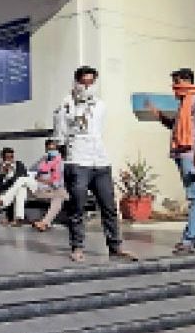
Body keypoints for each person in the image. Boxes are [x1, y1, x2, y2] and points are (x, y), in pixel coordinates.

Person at [54, 65, 136, 262]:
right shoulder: (65, 107)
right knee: (77, 207)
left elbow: (97, 129)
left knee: (109, 206)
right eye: (84, 82)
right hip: (78, 161)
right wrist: (71, 158)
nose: (87, 86)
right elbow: (59, 139)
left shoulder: (100, 105)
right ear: (76, 81)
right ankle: (77, 246)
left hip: (100, 161)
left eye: (91, 82)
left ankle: (115, 246)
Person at [145, 68, 195, 254]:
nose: (174, 87)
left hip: (191, 154)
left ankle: (189, 239)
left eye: (176, 82)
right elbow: (175, 127)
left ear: (185, 81)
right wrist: (158, 115)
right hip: (181, 153)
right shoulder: (184, 103)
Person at [29, 139, 70, 232]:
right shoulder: (43, 160)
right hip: (44, 190)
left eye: (54, 149)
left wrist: (45, 180)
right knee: (59, 196)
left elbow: (58, 181)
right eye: (49, 149)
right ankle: (44, 223)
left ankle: (44, 223)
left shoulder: (62, 162)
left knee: (59, 197)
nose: (52, 152)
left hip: (57, 189)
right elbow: (32, 171)